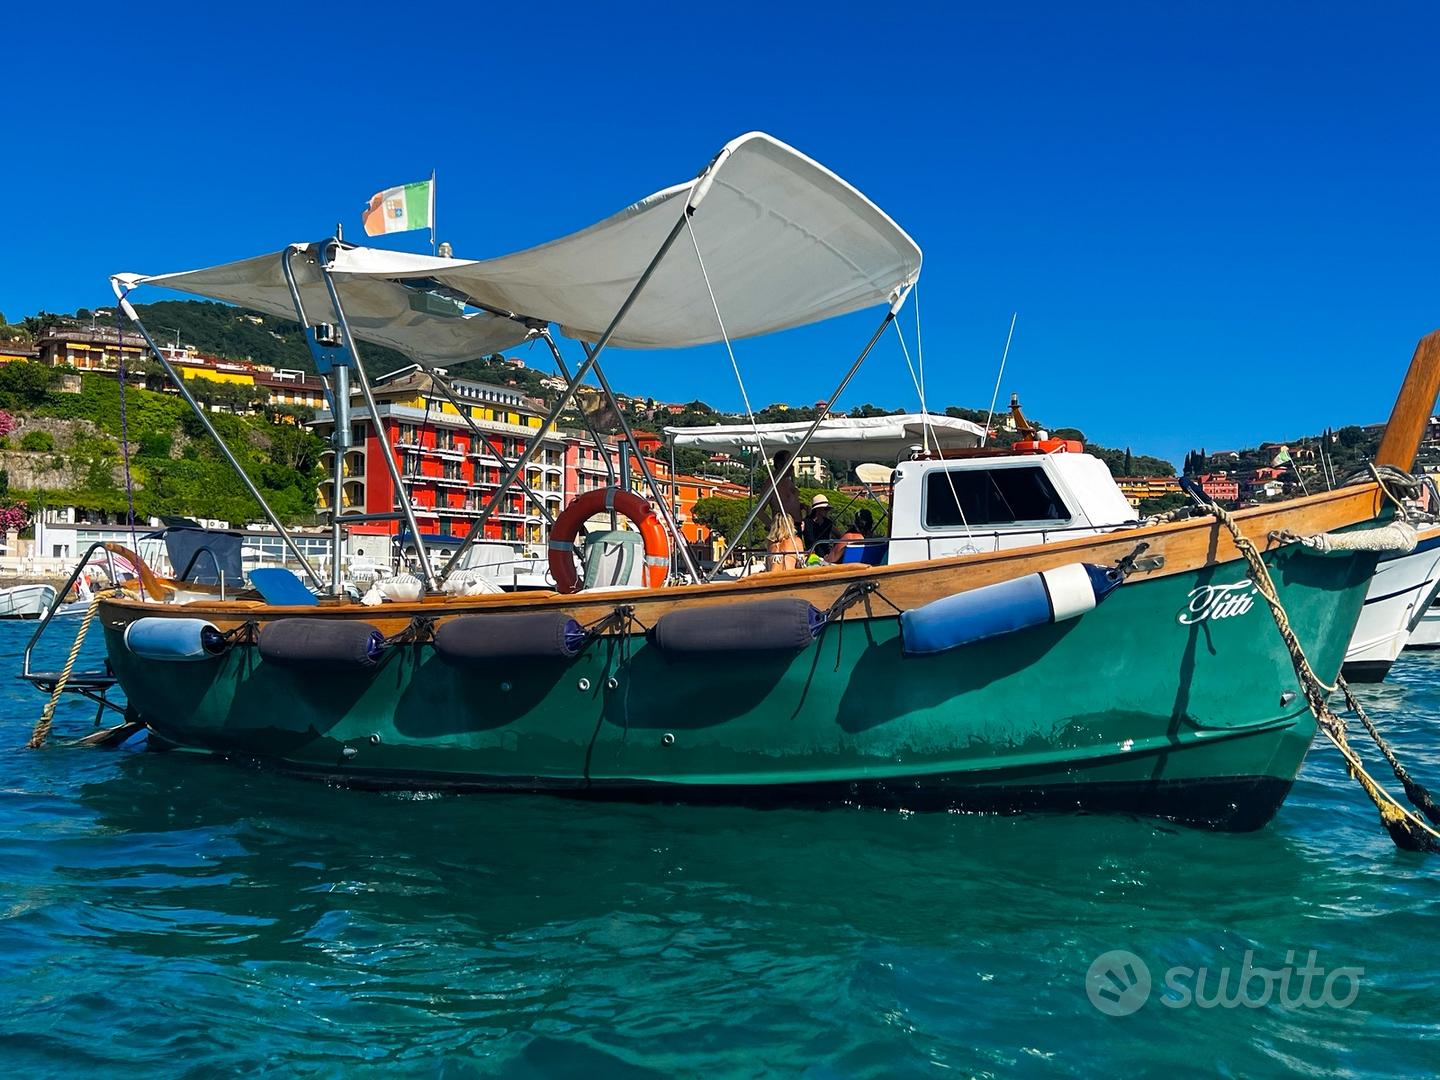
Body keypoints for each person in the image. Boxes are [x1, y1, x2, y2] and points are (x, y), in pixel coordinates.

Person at [763, 450, 804, 571]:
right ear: (781, 464)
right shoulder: (771, 484)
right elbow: (759, 511)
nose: (792, 466)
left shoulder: (788, 481)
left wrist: (801, 506)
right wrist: (773, 526)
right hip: (782, 528)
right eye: (789, 463)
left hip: (795, 527)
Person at [801, 494, 838, 560]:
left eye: (827, 509)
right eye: (825, 509)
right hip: (810, 558)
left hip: (825, 558)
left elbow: (838, 537)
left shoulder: (828, 523)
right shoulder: (806, 522)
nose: (827, 511)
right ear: (818, 509)